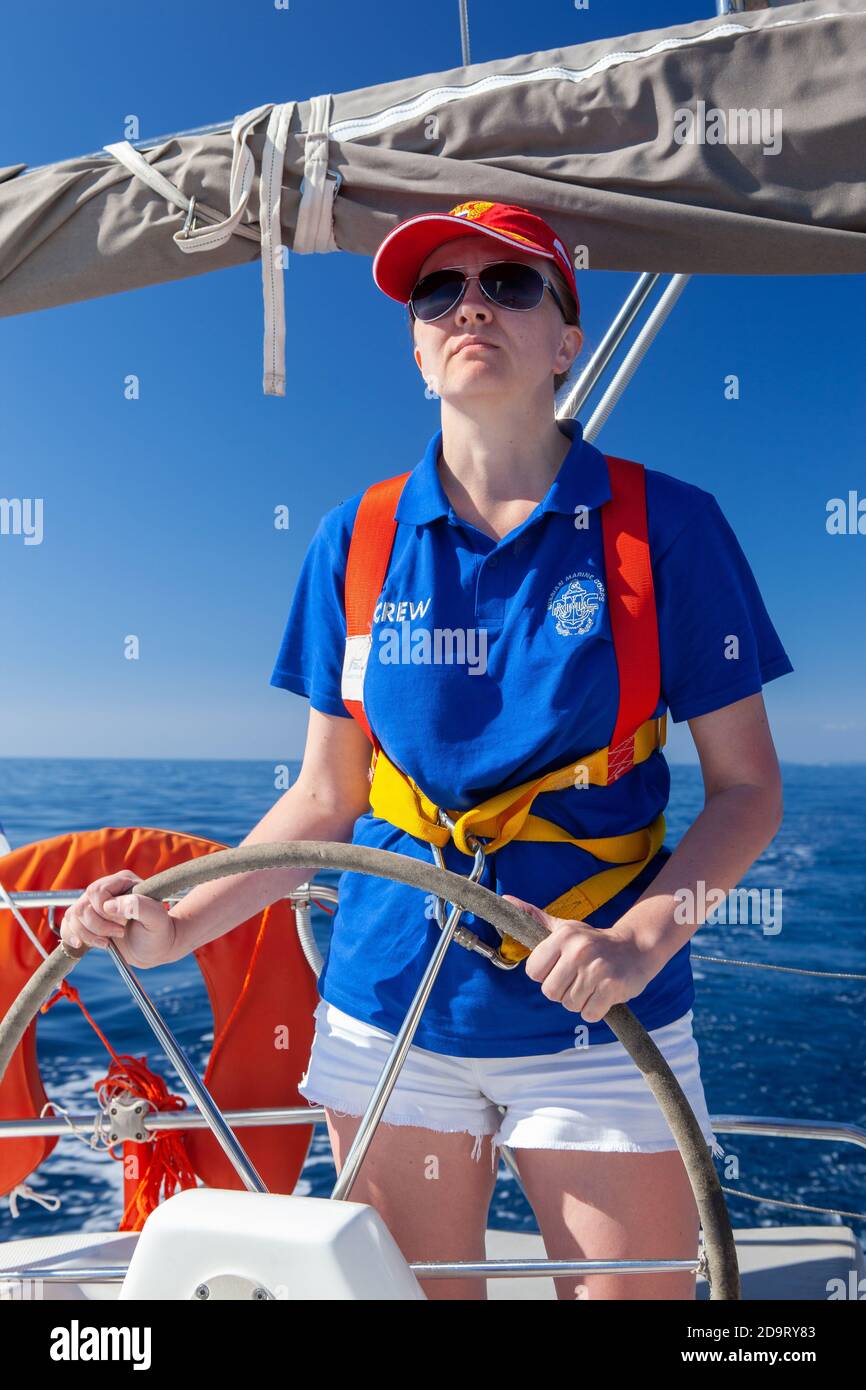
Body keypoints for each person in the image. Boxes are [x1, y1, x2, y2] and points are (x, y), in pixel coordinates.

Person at [61, 200, 794, 1303]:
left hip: (599, 1013)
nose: (470, 308)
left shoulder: (667, 528)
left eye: (509, 284)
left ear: (567, 340)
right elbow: (325, 796)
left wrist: (639, 942)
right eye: (438, 292)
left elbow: (746, 790)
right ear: (414, 350)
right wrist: (178, 920)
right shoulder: (353, 541)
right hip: (386, 1010)